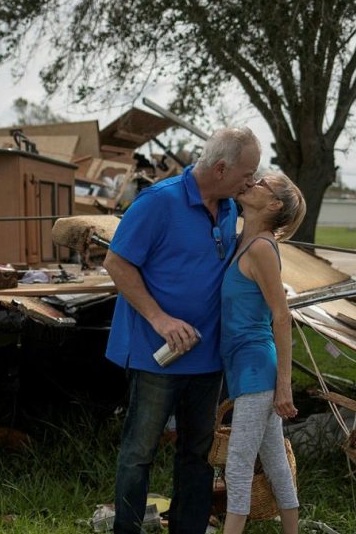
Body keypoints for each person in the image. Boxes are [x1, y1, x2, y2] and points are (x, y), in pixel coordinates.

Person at [104, 127, 261, 534]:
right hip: (156, 354)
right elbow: (117, 264)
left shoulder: (228, 208)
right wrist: (160, 319)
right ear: (221, 167)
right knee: (140, 452)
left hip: (208, 357)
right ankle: (127, 529)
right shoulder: (158, 202)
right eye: (248, 173)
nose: (252, 181)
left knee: (197, 453)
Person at [220, 171, 306, 534]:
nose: (251, 183)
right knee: (275, 461)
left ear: (273, 204)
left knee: (237, 463)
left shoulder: (260, 248)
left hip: (257, 368)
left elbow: (282, 316)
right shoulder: (245, 239)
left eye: (260, 183)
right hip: (243, 367)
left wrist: (283, 385)